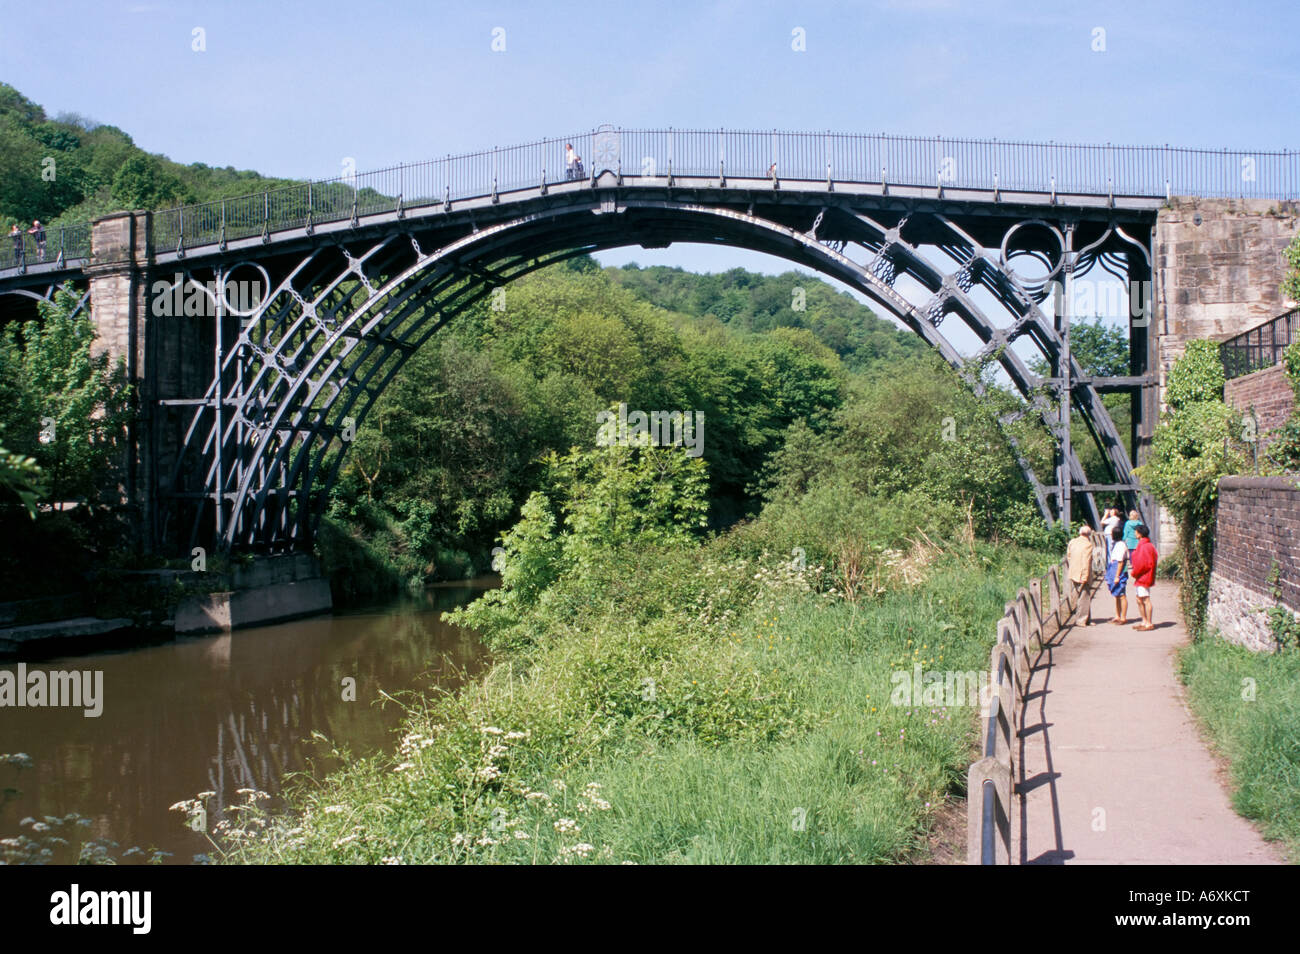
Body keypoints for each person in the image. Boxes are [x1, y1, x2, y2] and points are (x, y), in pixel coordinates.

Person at [1130, 524, 1159, 631]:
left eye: (1136, 531)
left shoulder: (1144, 546)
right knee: (1139, 599)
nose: (1135, 533)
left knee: (1145, 599)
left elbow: (1143, 563)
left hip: (1143, 576)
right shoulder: (1148, 545)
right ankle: (1144, 621)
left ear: (1140, 533)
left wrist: (1134, 573)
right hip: (1144, 576)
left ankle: (1148, 623)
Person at [1066, 524, 1095, 624]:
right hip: (1082, 573)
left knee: (1083, 596)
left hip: (1073, 572)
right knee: (1084, 597)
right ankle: (1081, 620)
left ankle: (1087, 619)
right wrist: (1085, 576)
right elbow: (1086, 561)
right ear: (1089, 534)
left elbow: (1069, 556)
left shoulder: (1072, 542)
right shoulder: (1088, 545)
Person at [1104, 523, 1129, 624]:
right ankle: (1117, 615)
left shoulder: (1120, 545)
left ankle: (1123, 617)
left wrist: (1117, 576)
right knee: (1117, 595)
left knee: (1122, 594)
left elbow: (1120, 562)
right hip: (1114, 569)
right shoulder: (1118, 544)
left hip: (1118, 571)